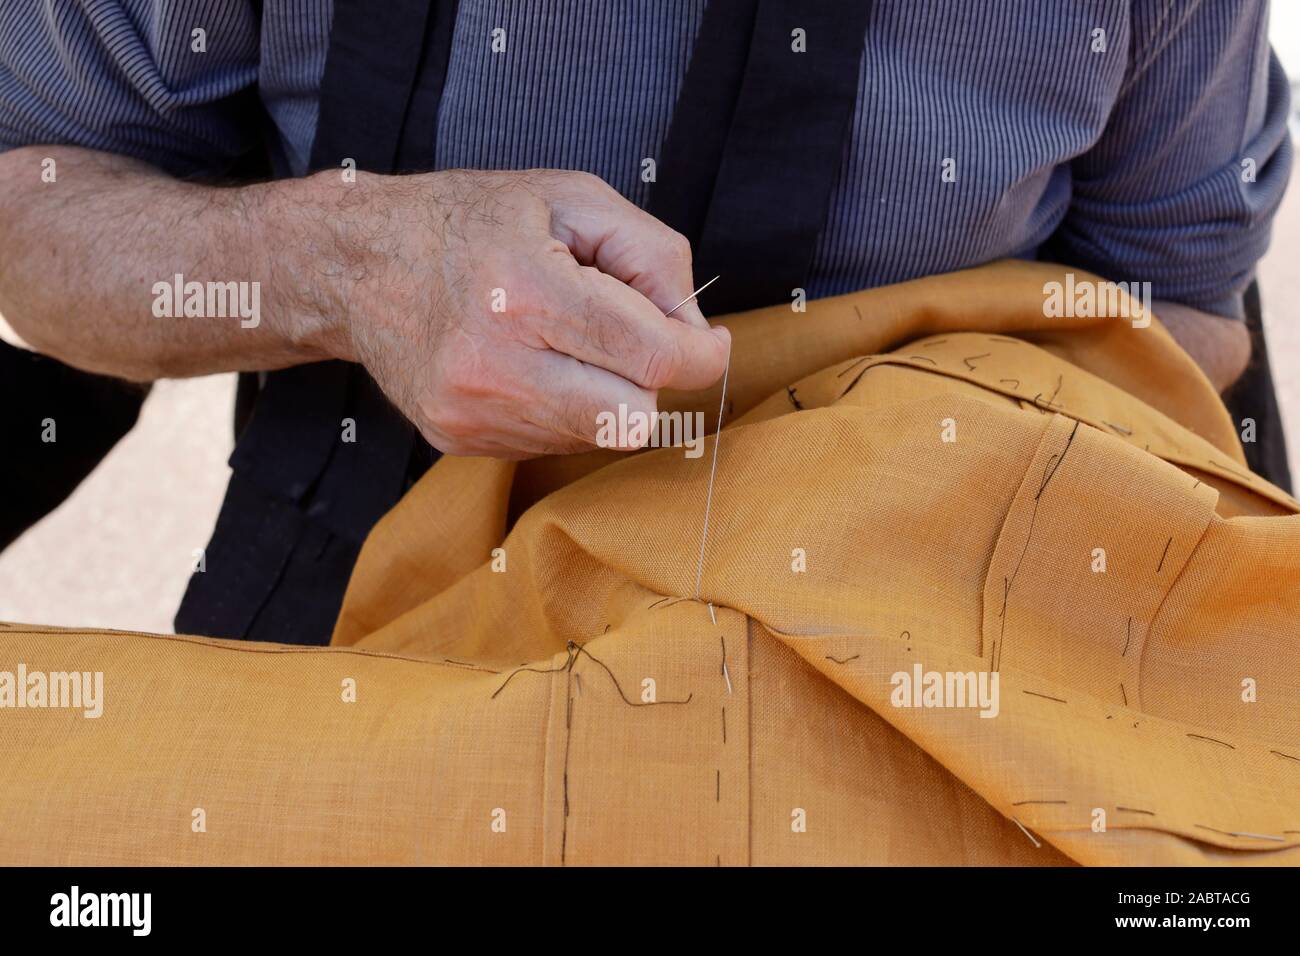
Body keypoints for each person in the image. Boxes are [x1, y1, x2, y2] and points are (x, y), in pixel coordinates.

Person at [0, 0, 1291, 644]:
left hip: (939, 635)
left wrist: (902, 456)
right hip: (375, 631)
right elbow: (29, 208)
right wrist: (349, 266)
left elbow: (1180, 303)